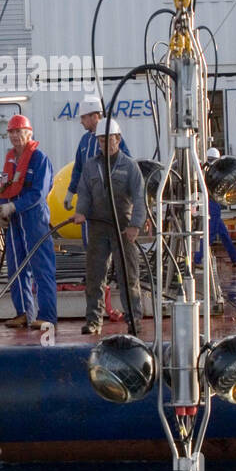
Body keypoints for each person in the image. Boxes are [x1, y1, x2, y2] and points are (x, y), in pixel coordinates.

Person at [74, 118, 146, 336]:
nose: (105, 143)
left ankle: (134, 320)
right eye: (101, 140)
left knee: (128, 276)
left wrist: (135, 225)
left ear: (118, 139)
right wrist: (81, 211)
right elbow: (84, 192)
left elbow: (140, 198)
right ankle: (94, 321)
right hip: (97, 227)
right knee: (95, 275)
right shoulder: (91, 166)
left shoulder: (130, 166)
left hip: (123, 228)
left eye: (109, 139)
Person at [0, 114, 57, 332]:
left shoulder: (39, 159)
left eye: (19, 131)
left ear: (29, 133)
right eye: (12, 132)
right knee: (16, 267)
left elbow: (38, 193)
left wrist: (14, 206)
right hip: (14, 222)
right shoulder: (10, 160)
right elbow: (4, 189)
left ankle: (47, 315)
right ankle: (23, 313)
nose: (15, 136)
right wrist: (2, 212)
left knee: (42, 267)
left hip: (34, 219)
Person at [64, 95, 130, 214]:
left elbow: (126, 164)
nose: (81, 122)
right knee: (89, 232)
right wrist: (71, 191)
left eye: (83, 117)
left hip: (109, 202)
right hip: (87, 202)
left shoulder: (112, 136)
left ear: (95, 117)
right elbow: (78, 169)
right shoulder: (84, 140)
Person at [196, 146, 236, 267]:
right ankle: (198, 258)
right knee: (211, 232)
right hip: (212, 203)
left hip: (208, 202)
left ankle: (235, 257)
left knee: (222, 232)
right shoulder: (215, 171)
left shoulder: (202, 169)